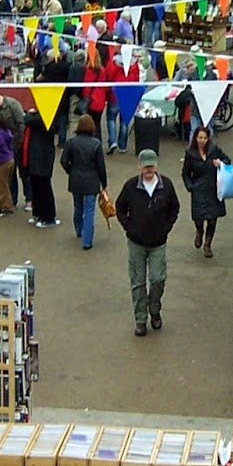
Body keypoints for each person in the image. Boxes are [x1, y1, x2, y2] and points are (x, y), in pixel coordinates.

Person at [116, 149, 179, 336]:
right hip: (136, 242)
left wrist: (166, 227)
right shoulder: (130, 186)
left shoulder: (166, 185)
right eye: (145, 167)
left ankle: (155, 309)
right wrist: (129, 227)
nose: (149, 170)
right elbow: (120, 207)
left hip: (158, 242)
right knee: (137, 282)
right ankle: (141, 319)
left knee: (158, 279)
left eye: (151, 166)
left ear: (156, 166)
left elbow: (174, 208)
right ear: (139, 167)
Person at [181, 125, 232, 259]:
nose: (202, 140)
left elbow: (227, 160)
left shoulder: (214, 149)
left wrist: (219, 163)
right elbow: (185, 173)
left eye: (204, 138)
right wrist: (190, 186)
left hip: (214, 188)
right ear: (195, 138)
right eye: (200, 137)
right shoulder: (190, 154)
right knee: (198, 217)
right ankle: (199, 231)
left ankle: (208, 244)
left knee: (212, 219)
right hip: (198, 189)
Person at [60, 114, 108, 250]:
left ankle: (79, 230)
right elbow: (101, 166)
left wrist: (71, 171)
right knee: (89, 211)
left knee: (78, 206)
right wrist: (104, 183)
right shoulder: (96, 144)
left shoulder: (71, 142)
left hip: (75, 180)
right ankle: (87, 241)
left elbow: (63, 161)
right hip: (91, 181)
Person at [21, 107, 59, 228]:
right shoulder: (39, 116)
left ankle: (48, 217)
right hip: (35, 158)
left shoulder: (46, 117)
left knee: (44, 187)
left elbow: (25, 119)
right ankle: (37, 213)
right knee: (36, 186)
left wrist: (31, 113)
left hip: (42, 158)